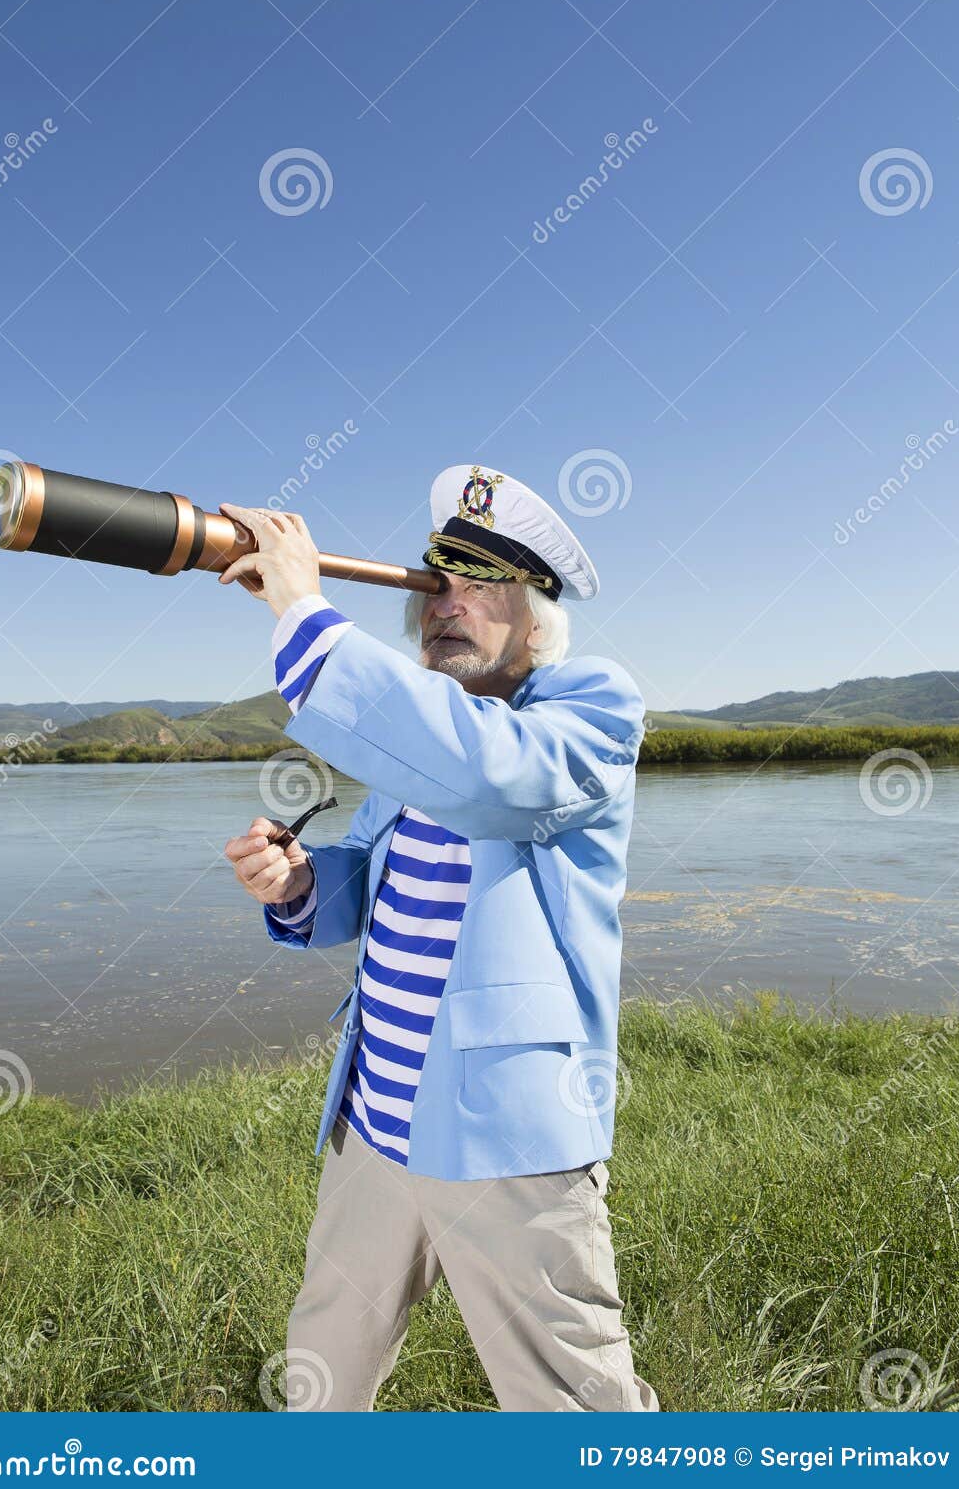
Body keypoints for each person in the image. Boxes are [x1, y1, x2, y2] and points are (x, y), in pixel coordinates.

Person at [222, 464, 657, 1413]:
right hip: (375, 1119)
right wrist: (300, 882)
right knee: (322, 1369)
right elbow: (374, 876)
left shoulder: (587, 707)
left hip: (505, 1132)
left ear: (537, 618)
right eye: (432, 584)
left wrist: (302, 608)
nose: (442, 605)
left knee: (569, 1402)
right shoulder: (424, 739)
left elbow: (490, 778)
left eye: (478, 584)